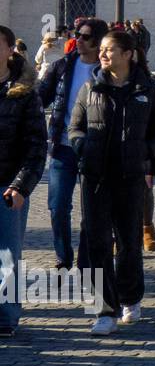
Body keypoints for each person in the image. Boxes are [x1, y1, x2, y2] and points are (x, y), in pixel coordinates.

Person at [68, 29, 155, 335]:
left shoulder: (148, 89)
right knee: (97, 243)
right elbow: (75, 127)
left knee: (128, 241)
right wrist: (83, 146)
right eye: (102, 49)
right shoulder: (91, 87)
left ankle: (130, 297)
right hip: (95, 176)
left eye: (110, 49)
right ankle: (103, 310)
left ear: (128, 54)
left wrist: (145, 152)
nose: (103, 54)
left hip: (130, 176)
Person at [38, 17, 109, 270]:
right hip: (62, 148)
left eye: (85, 37)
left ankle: (85, 261)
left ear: (99, 42)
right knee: (57, 207)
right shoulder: (63, 66)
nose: (78, 40)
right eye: (77, 34)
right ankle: (62, 256)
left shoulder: (107, 71)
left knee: (91, 211)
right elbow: (40, 99)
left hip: (96, 150)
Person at [1, 25, 47, 338]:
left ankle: (5, 317)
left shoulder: (25, 93)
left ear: (9, 51)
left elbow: (36, 145)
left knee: (6, 253)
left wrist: (21, 185)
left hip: (7, 184)